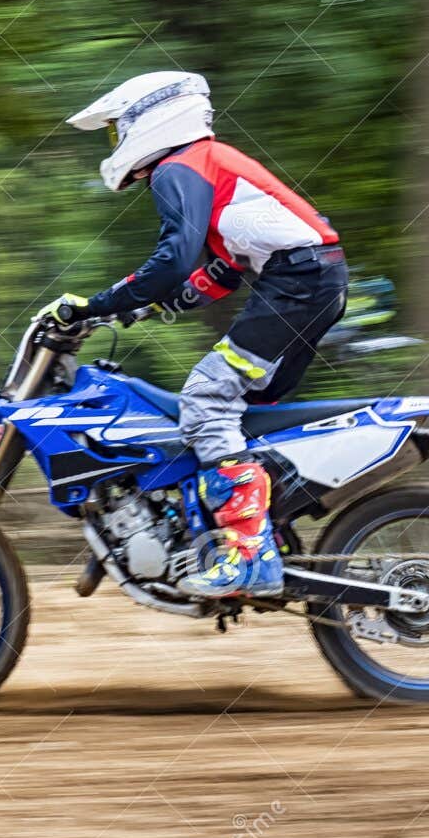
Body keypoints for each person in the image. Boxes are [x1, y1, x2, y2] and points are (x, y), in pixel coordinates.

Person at [42, 71, 348, 598]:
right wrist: (135, 309)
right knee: (250, 410)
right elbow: (220, 271)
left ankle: (249, 555)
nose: (117, 143)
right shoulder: (208, 165)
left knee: (205, 399)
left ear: (151, 120)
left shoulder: (179, 167)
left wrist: (96, 305)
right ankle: (256, 533)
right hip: (314, 277)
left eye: (119, 130)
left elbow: (172, 260)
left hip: (299, 280)